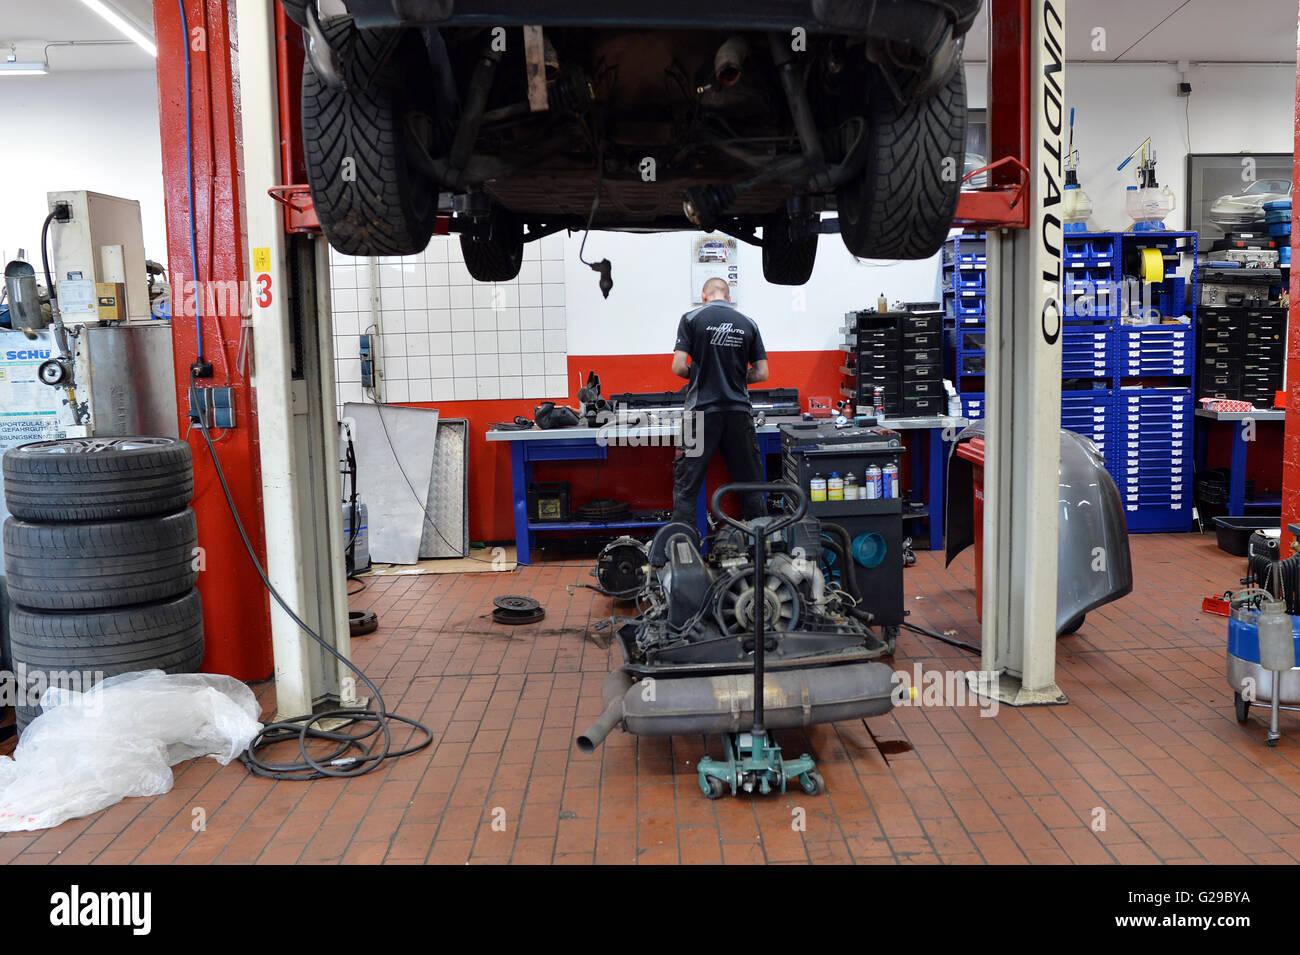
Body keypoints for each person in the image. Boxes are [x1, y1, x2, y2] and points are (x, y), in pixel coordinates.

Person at [669, 277, 770, 528]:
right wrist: (735, 376)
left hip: (700, 416)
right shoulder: (749, 323)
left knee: (686, 489)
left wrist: (702, 376)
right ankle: (761, 556)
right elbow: (762, 373)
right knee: (752, 488)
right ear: (728, 296)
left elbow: (678, 366)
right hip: (738, 414)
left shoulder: (691, 319)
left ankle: (685, 551)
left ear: (704, 296)